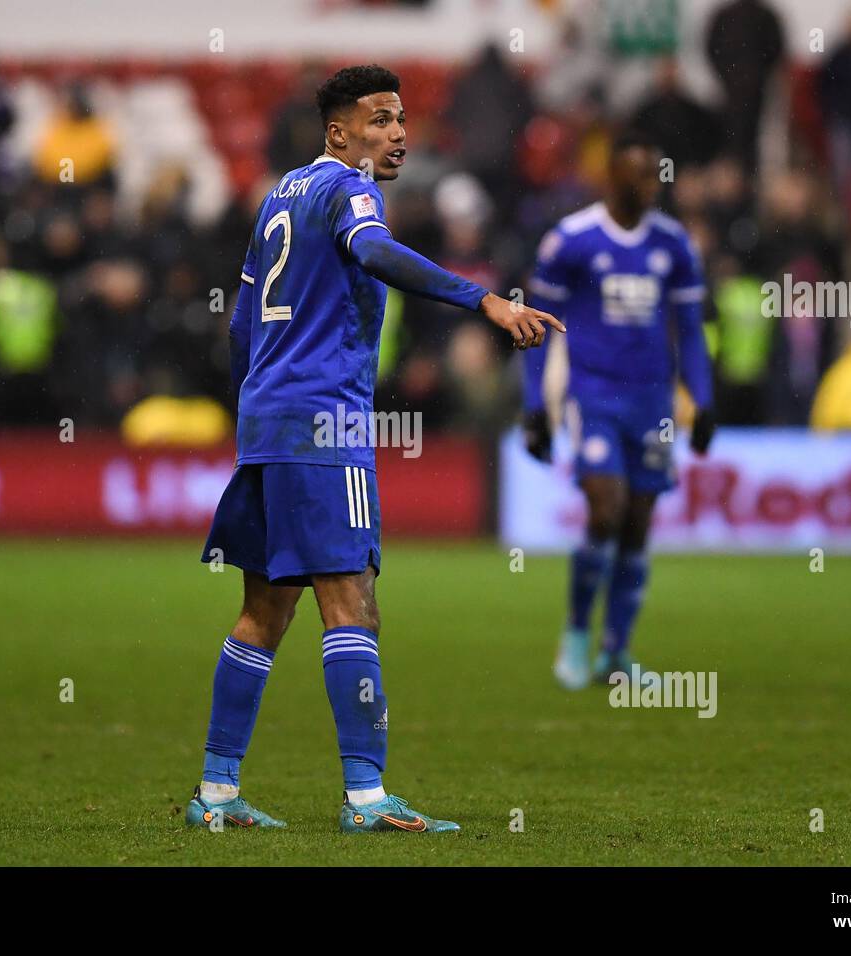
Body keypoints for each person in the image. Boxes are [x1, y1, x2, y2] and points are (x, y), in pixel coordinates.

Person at [186, 65, 562, 833]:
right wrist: (483, 298)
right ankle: (364, 798)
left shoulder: (279, 195)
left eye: (400, 120)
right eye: (381, 119)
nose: (396, 134)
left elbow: (239, 324)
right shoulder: (351, 190)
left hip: (269, 421)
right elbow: (376, 251)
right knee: (352, 603)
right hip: (328, 422)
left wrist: (255, 406)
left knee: (264, 609)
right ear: (339, 133)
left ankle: (216, 795)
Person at [522, 130, 714, 690]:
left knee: (637, 526)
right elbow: (534, 325)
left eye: (656, 175)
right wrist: (536, 406)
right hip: (594, 393)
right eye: (639, 175)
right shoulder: (571, 241)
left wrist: (702, 402)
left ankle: (617, 651)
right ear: (612, 177)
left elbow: (692, 332)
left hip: (653, 398)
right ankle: (578, 633)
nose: (650, 186)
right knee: (605, 509)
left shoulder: (674, 244)